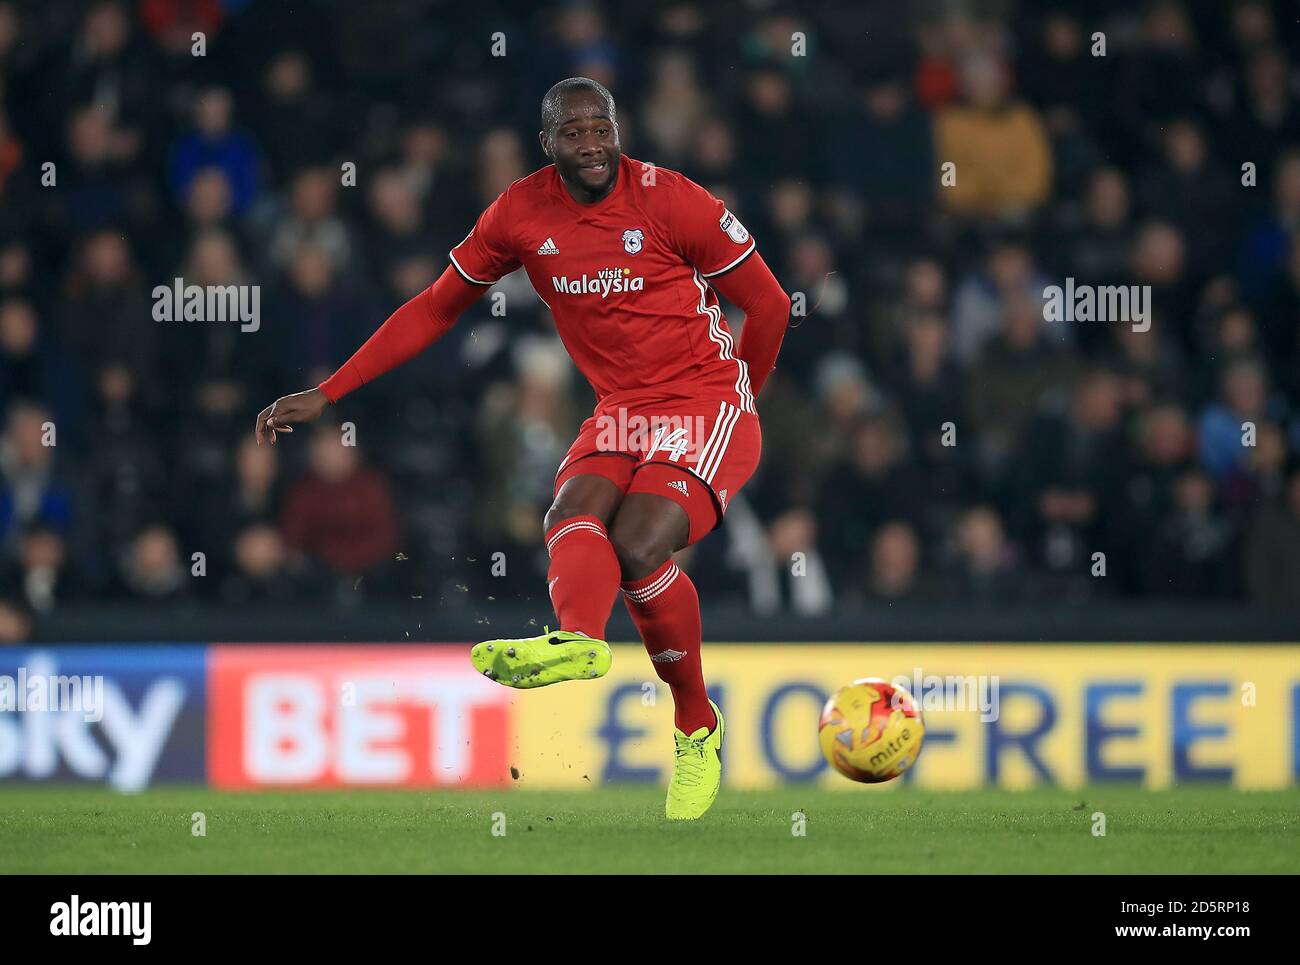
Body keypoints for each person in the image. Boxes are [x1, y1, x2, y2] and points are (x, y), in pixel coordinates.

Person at [254, 78, 791, 820]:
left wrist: (743, 395)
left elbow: (769, 301)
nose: (594, 143)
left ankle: (697, 726)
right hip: (621, 410)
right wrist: (333, 390)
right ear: (548, 144)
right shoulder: (520, 212)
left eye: (602, 127)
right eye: (574, 133)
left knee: (637, 545)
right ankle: (578, 641)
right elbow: (437, 305)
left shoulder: (672, 199)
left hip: (704, 399)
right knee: (568, 512)